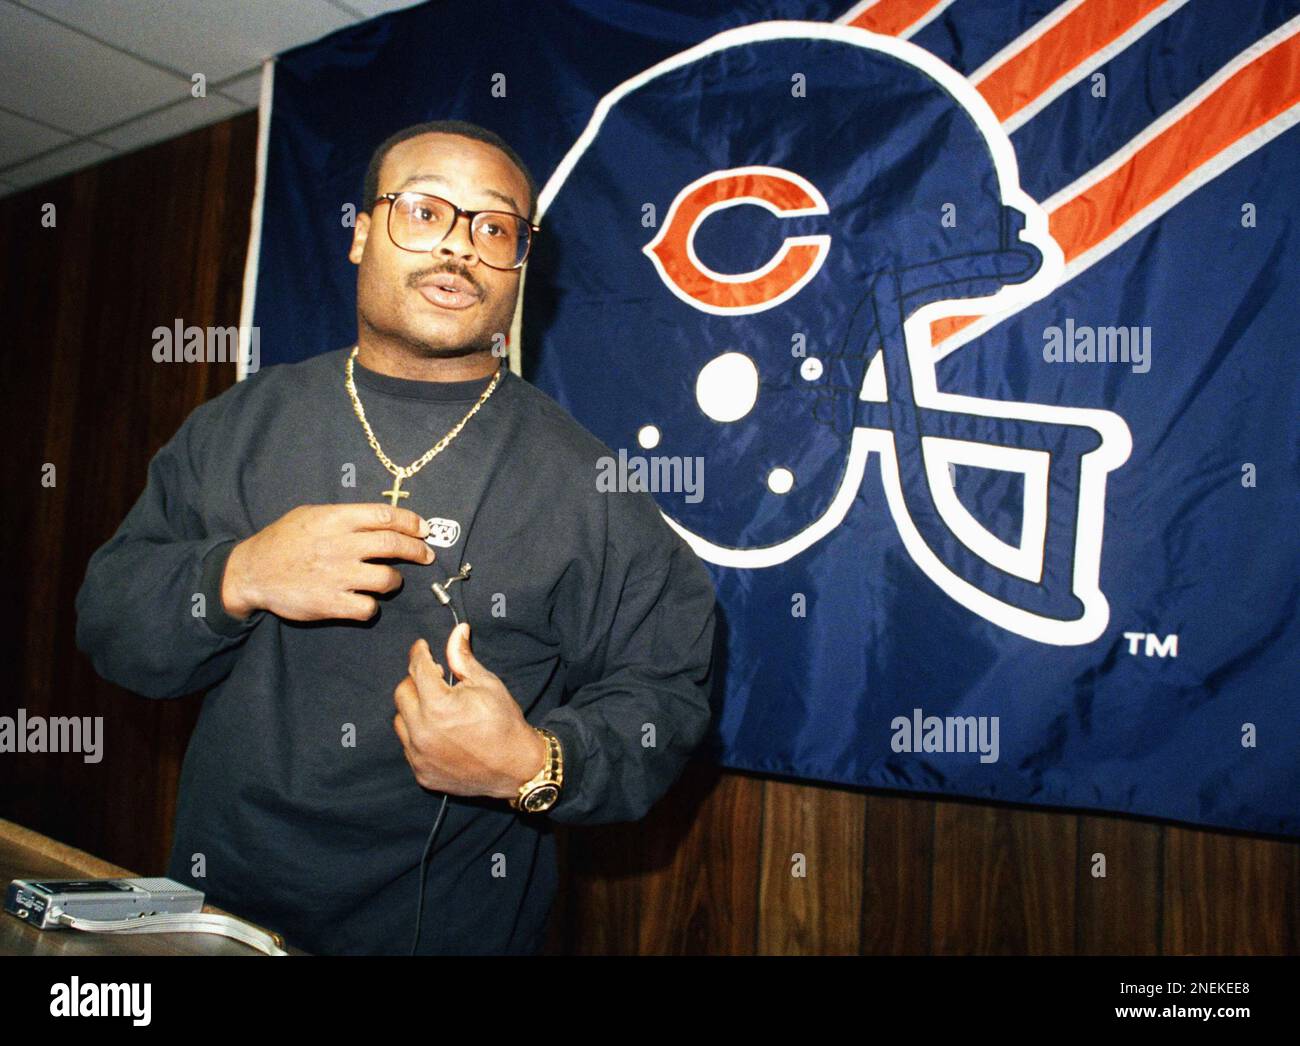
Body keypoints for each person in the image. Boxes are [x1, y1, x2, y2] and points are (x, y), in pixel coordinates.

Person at [74, 119, 718, 956]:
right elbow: (109, 620)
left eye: (495, 228)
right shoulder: (242, 424)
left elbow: (666, 697)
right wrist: (237, 574)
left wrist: (531, 762)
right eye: (424, 211)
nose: (461, 248)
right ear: (361, 235)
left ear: (521, 262)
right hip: (219, 917)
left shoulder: (586, 486)